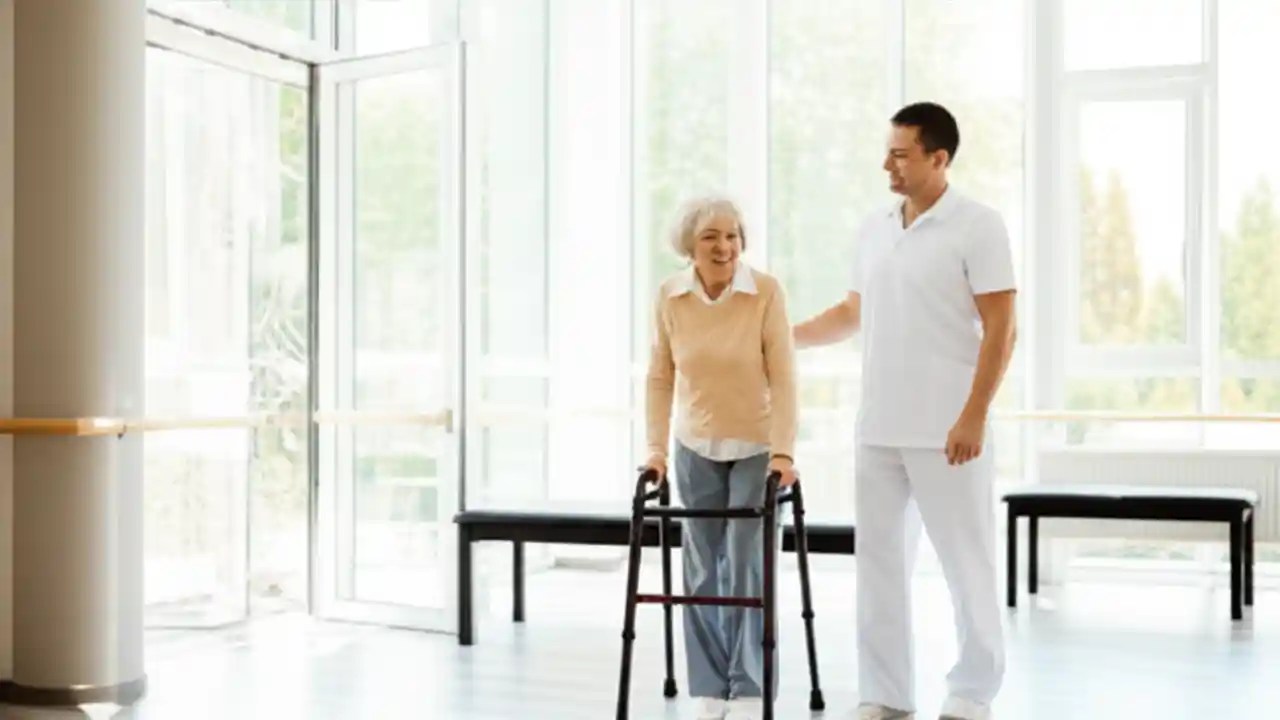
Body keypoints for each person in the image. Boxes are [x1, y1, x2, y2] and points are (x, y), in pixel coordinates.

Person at [793, 102, 1017, 720]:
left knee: (966, 565)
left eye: (900, 154)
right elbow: (851, 312)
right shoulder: (874, 227)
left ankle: (972, 691)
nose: (887, 165)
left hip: (949, 430)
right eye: (887, 152)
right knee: (880, 567)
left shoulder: (978, 225)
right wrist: (780, 339)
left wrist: (973, 415)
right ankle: (885, 694)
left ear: (939, 158)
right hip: (879, 429)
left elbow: (1002, 329)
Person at [644, 196, 799, 720]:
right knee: (701, 568)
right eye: (710, 236)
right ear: (689, 245)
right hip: (695, 444)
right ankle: (710, 686)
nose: (724, 246)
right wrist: (655, 450)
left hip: (757, 445)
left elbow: (784, 377)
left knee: (748, 564)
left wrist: (784, 451)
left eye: (732, 235)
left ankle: (749, 685)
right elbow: (660, 376)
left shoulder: (765, 293)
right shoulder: (671, 296)